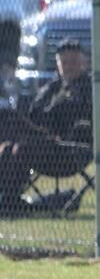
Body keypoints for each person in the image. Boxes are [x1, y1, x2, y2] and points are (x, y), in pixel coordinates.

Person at [0, 39, 93, 215]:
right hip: (41, 140)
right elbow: (34, 113)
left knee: (21, 148)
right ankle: (8, 200)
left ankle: (10, 202)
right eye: (63, 62)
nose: (68, 67)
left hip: (68, 151)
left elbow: (80, 121)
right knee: (6, 145)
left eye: (73, 62)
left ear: (84, 63)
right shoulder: (51, 87)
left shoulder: (90, 89)